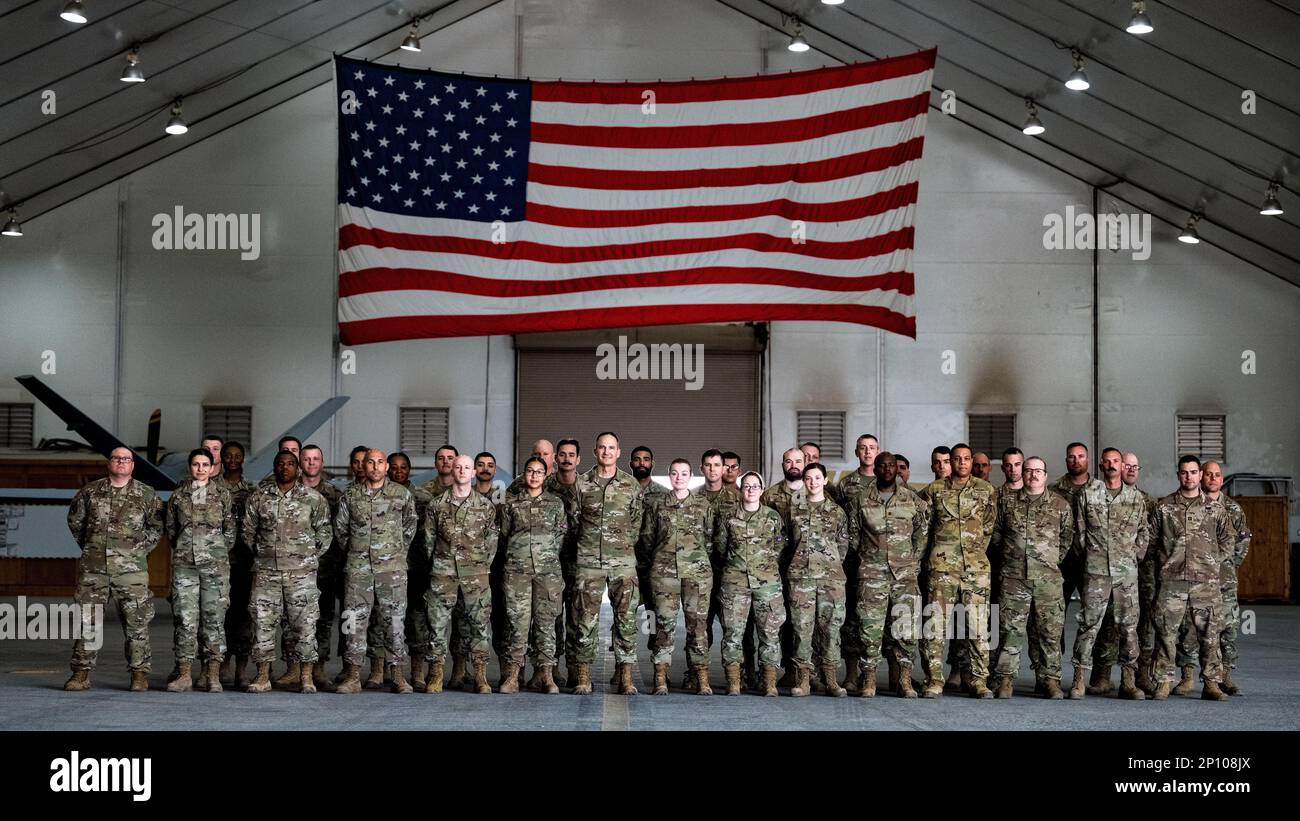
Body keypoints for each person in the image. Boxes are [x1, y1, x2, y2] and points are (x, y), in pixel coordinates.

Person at [63, 448, 164, 692]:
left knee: (136, 622)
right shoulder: (90, 492)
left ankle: (139, 674)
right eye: (116, 458)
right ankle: (81, 673)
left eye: (126, 459)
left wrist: (138, 551)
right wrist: (91, 547)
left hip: (132, 571)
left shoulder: (146, 494)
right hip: (94, 569)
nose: (121, 462)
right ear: (109, 463)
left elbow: (156, 527)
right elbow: (76, 522)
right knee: (89, 621)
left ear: (133, 465)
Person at [242, 451, 332, 694]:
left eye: (290, 464)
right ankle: (262, 676)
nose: (285, 468)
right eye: (280, 464)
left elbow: (325, 533)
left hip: (301, 575)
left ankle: (305, 677)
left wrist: (307, 558)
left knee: (305, 626)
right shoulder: (259, 498)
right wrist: (263, 554)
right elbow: (248, 531)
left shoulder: (313, 499)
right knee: (263, 624)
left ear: (298, 468)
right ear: (274, 467)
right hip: (266, 573)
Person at [1150, 456, 1234, 701]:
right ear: (1178, 475)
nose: (1189, 477)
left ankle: (1211, 683)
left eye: (1194, 472)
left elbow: (1228, 540)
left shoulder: (1215, 508)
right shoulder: (1164, 507)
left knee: (1210, 634)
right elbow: (1151, 542)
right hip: (1172, 581)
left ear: (1200, 475)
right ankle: (1164, 681)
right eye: (1184, 473)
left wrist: (1212, 563)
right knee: (1166, 632)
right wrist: (1166, 564)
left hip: (1205, 583)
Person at [333, 448, 417, 694]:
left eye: (380, 462)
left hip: (392, 569)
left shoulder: (401, 495)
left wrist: (395, 551)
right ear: (364, 466)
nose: (375, 467)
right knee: (352, 621)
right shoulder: (350, 496)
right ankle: (353, 676)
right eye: (371, 462)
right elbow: (341, 530)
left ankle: (398, 675)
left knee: (395, 621)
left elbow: (410, 526)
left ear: (386, 467)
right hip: (358, 569)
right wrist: (357, 552)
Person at [988, 457, 1072, 699]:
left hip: (1048, 580)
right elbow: (996, 536)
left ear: (1045, 475)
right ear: (1022, 474)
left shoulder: (1060, 505)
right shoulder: (1007, 504)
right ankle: (1004, 679)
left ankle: (1050, 680)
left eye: (1038, 471)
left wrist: (1048, 562)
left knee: (1049, 632)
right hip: (1014, 578)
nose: (1033, 475)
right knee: (1009, 631)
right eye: (1029, 471)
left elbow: (1066, 540)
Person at [1069, 448, 1149, 700]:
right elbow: (1079, 533)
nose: (1113, 465)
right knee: (1088, 626)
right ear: (1101, 466)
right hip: (1096, 572)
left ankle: (1128, 681)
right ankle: (1079, 680)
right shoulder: (1088, 494)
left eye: (1117, 461)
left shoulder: (1135, 498)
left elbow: (1144, 533)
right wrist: (1093, 556)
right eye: (1108, 462)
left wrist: (1132, 556)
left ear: (1123, 466)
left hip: (1125, 574)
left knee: (1128, 628)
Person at [917, 443, 997, 698]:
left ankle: (978, 681)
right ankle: (934, 680)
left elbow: (987, 528)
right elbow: (923, 531)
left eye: (966, 459)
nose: (961, 463)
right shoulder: (934, 491)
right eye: (956, 459)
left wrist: (973, 553)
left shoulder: (986, 490)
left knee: (977, 627)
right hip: (942, 568)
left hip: (975, 569)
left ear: (972, 461)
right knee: (935, 626)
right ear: (950, 462)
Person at [847, 452, 929, 698]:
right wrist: (868, 557)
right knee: (869, 629)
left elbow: (922, 534)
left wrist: (911, 560)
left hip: (904, 576)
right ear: (877, 468)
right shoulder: (860, 500)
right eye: (882, 465)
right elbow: (852, 536)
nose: (886, 469)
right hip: (872, 574)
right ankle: (869, 679)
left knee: (906, 629)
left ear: (896, 469)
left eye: (891, 465)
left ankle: (904, 680)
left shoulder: (912, 500)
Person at [570, 432, 644, 695]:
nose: (606, 452)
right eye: (602, 447)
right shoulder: (581, 484)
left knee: (626, 620)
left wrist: (622, 546)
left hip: (623, 562)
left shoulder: (630, 485)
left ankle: (626, 676)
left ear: (618, 452)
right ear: (595, 451)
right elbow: (573, 522)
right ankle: (583, 676)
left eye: (611, 448)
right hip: (589, 562)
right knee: (585, 620)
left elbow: (636, 523)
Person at [423, 454, 499, 694]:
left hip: (475, 574)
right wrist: (439, 563)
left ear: (474, 472)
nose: (463, 471)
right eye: (458, 467)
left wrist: (479, 565)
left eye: (467, 467)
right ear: (452, 471)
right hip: (443, 573)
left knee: (479, 625)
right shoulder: (436, 505)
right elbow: (428, 540)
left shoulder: (485, 506)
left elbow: (491, 541)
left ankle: (480, 676)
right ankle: (435, 674)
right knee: (437, 625)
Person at [1174, 461, 1252, 695]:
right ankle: (1187, 676)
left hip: (1224, 580)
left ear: (1222, 478)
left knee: (1227, 628)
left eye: (1217, 475)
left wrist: (1222, 565)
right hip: (1194, 579)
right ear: (1201, 477)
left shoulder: (1233, 509)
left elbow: (1242, 542)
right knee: (1189, 628)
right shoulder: (1188, 505)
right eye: (1208, 474)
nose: (1213, 479)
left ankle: (1224, 675)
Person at [165, 449, 235, 693]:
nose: (201, 468)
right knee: (185, 619)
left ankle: (212, 675)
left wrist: (214, 552)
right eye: (196, 464)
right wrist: (187, 549)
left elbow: (230, 531)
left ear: (213, 467)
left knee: (214, 620)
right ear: (189, 466)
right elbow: (171, 530)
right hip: (185, 566)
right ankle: (184, 674)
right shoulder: (178, 496)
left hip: (215, 568)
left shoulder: (223, 495)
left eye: (206, 464)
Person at [496, 457, 569, 694]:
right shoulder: (511, 504)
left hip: (547, 574)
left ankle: (546, 675)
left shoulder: (555, 504)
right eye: (530, 471)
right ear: (524, 474)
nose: (534, 475)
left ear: (546, 475)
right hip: (517, 573)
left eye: (539, 472)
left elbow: (560, 537)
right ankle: (513, 676)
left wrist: (544, 558)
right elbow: (504, 536)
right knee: (516, 625)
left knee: (546, 624)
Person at [645, 458, 716, 695]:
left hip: (697, 574)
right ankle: (660, 677)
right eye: (674, 473)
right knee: (663, 625)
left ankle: (701, 677)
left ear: (690, 475)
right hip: (664, 575)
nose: (679, 477)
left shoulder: (704, 505)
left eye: (684, 473)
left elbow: (711, 540)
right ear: (669, 475)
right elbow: (647, 538)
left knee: (697, 627)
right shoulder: (657, 504)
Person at [718, 471, 787, 696]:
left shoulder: (773, 517)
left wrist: (763, 567)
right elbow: (720, 548)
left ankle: (769, 682)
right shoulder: (728, 517)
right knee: (733, 633)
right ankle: (734, 682)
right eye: (746, 486)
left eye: (755, 486)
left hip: (767, 584)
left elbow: (779, 548)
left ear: (762, 488)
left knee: (769, 633)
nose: (750, 490)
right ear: (740, 489)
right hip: (735, 583)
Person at [784, 463, 850, 697]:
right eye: (808, 478)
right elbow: (787, 542)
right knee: (802, 628)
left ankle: (831, 679)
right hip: (801, 578)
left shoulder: (837, 512)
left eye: (817, 478)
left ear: (824, 480)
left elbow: (843, 545)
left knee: (831, 628)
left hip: (831, 579)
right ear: (804, 481)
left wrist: (829, 565)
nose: (813, 482)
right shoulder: (794, 510)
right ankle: (804, 679)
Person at [293, 444, 344, 692]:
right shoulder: (288, 492)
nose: (311, 463)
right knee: (293, 620)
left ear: (322, 463)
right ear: (299, 461)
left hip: (324, 570)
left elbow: (340, 531)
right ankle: (295, 670)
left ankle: (319, 668)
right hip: (293, 571)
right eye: (307, 458)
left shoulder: (334, 494)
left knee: (323, 621)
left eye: (316, 459)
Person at [388, 452, 436, 690]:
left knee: (418, 621)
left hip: (416, 567)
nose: (398, 471)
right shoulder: (379, 497)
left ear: (409, 470)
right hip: (387, 568)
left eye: (403, 467)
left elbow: (430, 534)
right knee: (388, 621)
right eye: (394, 467)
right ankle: (385, 672)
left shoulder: (423, 497)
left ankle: (417, 672)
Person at [217, 441, 257, 688]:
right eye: (228, 456)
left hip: (244, 562)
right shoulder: (211, 489)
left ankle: (242, 669)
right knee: (219, 616)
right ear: (221, 459)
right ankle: (221, 665)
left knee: (243, 616)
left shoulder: (253, 490)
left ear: (243, 459)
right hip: (217, 564)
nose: (232, 459)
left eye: (237, 456)